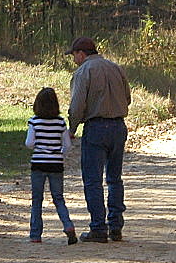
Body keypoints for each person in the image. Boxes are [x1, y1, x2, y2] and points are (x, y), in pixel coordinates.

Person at [67, 36, 131, 242]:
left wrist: (72, 128)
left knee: (93, 180)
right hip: (118, 126)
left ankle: (98, 227)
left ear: (81, 53)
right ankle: (116, 225)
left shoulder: (83, 71)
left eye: (74, 55)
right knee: (114, 178)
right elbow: (128, 98)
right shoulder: (116, 68)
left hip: (96, 127)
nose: (74, 60)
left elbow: (77, 105)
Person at [26, 87, 77, 244]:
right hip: (56, 164)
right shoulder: (60, 123)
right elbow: (67, 145)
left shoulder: (34, 122)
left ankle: (35, 234)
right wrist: (59, 154)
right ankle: (68, 225)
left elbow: (29, 143)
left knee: (37, 199)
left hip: (38, 163)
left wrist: (39, 147)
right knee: (58, 198)